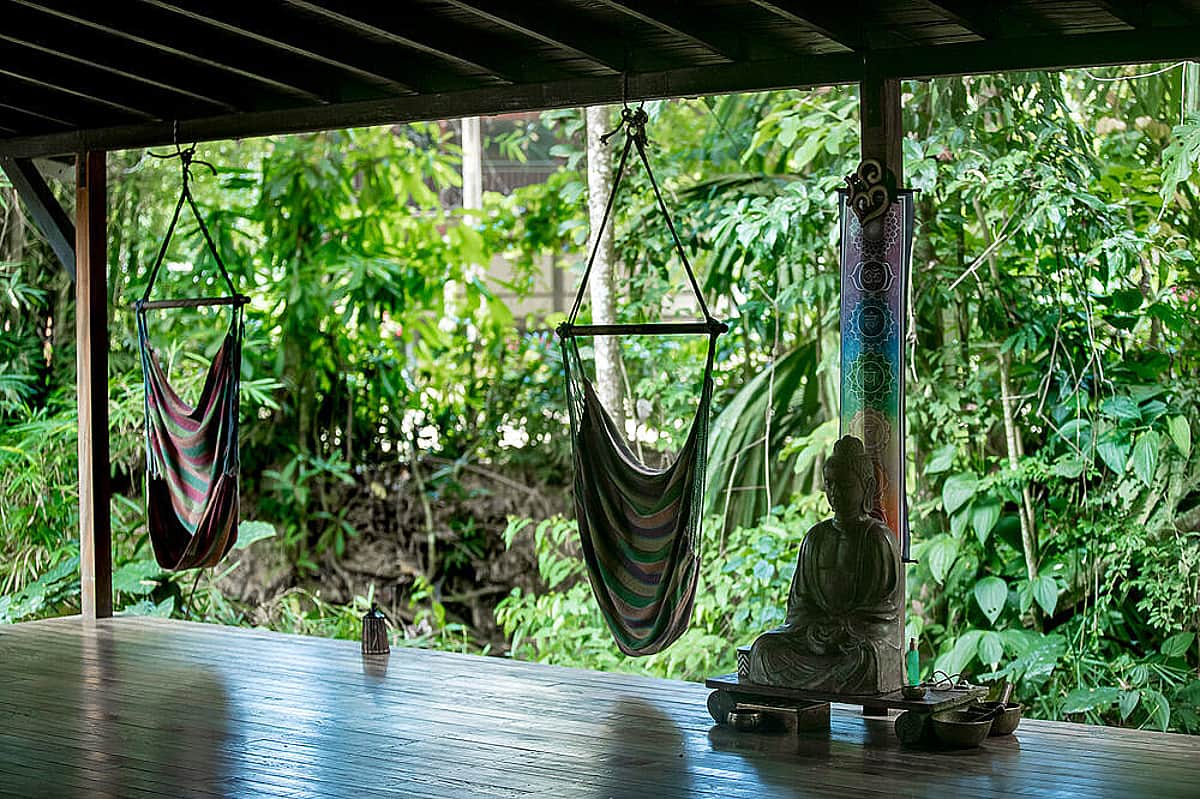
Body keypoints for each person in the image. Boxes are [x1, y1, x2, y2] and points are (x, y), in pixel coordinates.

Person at [747, 436, 903, 695]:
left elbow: (885, 609)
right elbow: (800, 603)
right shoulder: (815, 537)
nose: (835, 492)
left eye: (845, 484)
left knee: (867, 660)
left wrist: (844, 630)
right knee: (764, 649)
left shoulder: (878, 538)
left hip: (857, 641)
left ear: (867, 487)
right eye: (829, 484)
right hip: (815, 636)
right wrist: (813, 631)